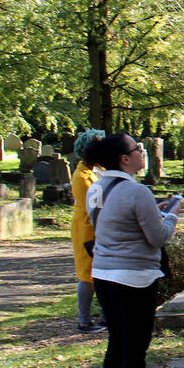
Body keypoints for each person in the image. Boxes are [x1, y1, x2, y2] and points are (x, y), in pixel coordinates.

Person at [86, 133, 181, 368]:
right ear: (125, 159)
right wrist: (172, 215)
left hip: (103, 274)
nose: (142, 153)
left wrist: (156, 210)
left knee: (116, 342)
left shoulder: (97, 189)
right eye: (137, 149)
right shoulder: (137, 192)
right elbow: (158, 237)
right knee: (136, 348)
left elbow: (115, 223)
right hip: (135, 278)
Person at [71, 128, 106, 334]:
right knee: (87, 275)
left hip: (94, 226)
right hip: (87, 229)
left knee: (99, 274)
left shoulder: (93, 171)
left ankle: (104, 316)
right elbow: (94, 207)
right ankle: (84, 320)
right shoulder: (82, 177)